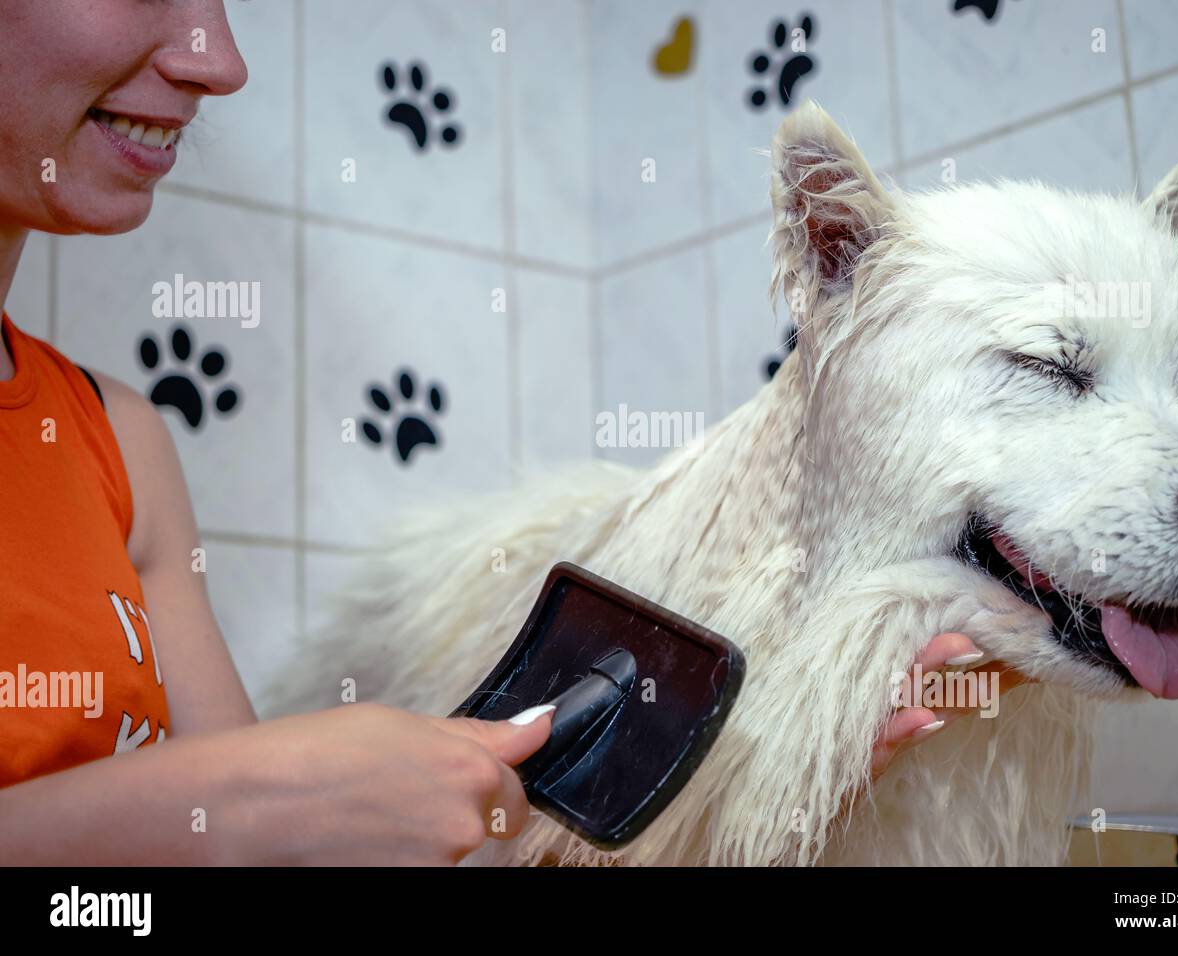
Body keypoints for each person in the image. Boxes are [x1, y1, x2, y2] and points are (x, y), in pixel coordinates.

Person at [0, 0, 1022, 865]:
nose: (217, 60)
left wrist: (783, 798)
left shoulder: (119, 438)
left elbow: (235, 847)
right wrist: (272, 788)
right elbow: (235, 809)